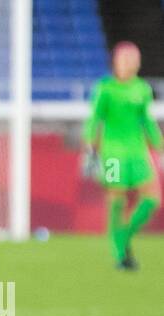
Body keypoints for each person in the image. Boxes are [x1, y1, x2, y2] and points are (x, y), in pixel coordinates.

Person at [82, 41, 162, 270]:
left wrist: (159, 145)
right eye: (125, 58)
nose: (130, 63)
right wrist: (90, 149)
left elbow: (146, 120)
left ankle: (123, 237)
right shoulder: (105, 89)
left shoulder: (142, 89)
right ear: (116, 62)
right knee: (116, 202)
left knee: (152, 199)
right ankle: (120, 255)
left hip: (137, 152)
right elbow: (94, 120)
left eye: (134, 58)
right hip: (113, 154)